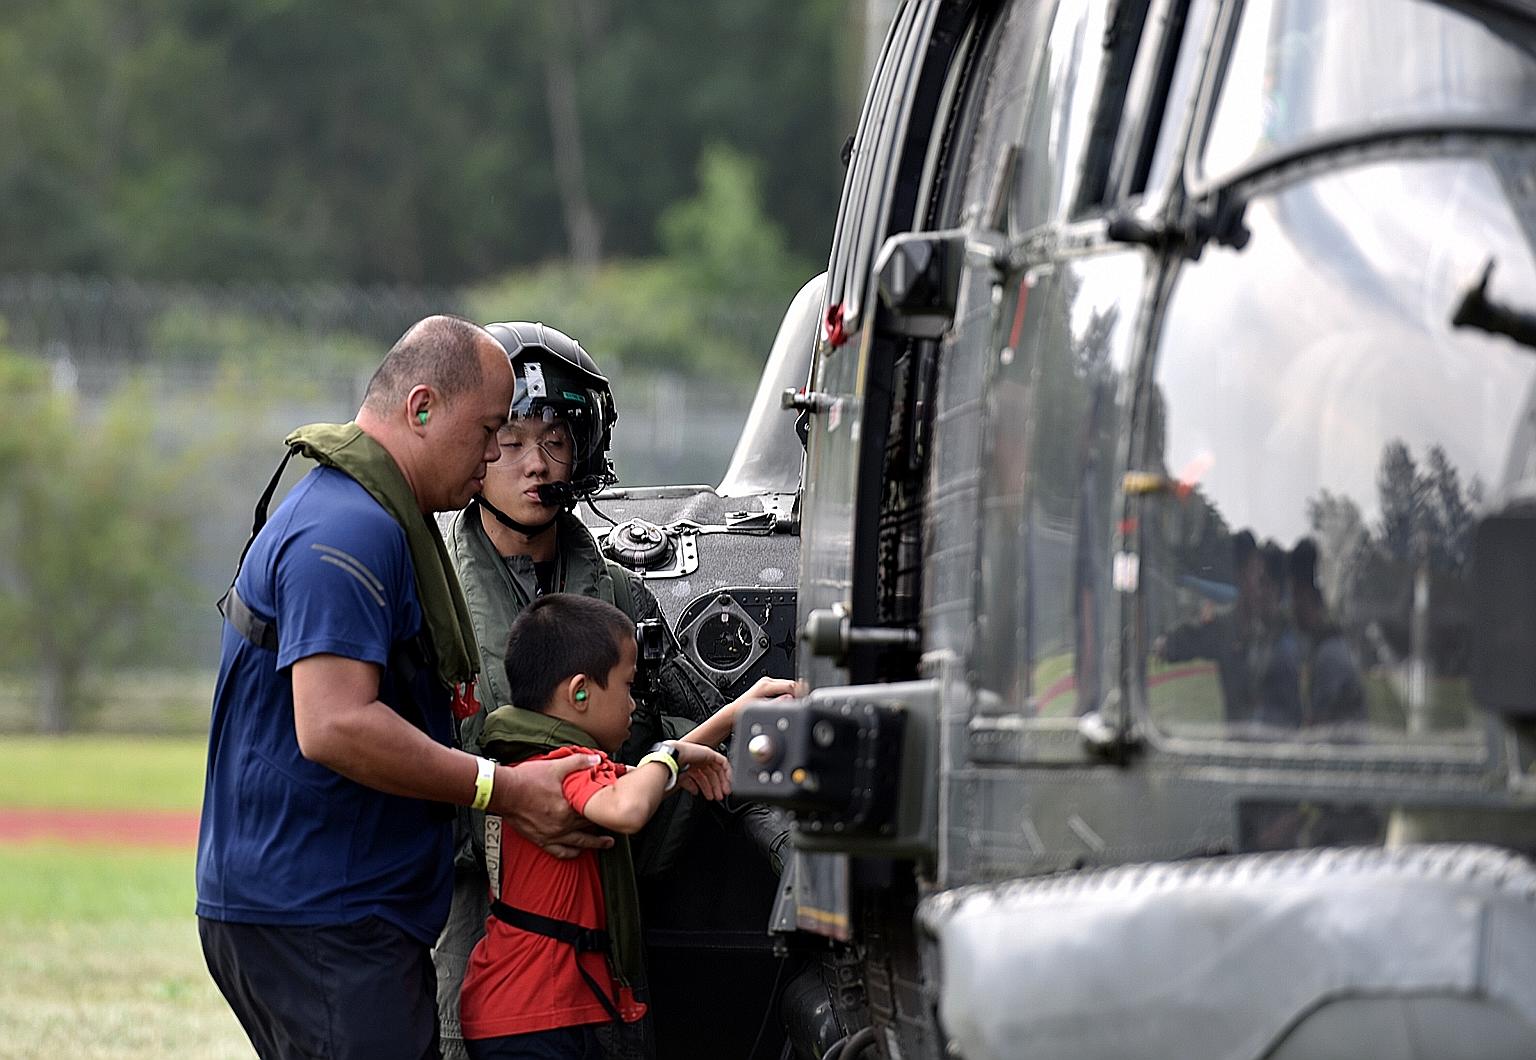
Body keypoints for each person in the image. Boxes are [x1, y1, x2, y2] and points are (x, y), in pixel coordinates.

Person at [196, 315, 610, 1060]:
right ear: (421, 409)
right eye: (489, 430)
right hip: (322, 916)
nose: (493, 455)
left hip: (333, 913)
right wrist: (506, 791)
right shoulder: (347, 530)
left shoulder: (369, 517)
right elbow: (334, 725)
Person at [431, 321, 794, 1058]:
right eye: (510, 440)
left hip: (608, 901)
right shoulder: (429, 588)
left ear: (583, 449)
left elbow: (685, 720)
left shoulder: (620, 595)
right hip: (472, 892)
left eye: (555, 441)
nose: (534, 464)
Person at [459, 593, 752, 1060]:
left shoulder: (540, 757)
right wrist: (669, 755)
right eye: (628, 686)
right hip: (537, 1017)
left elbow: (638, 784)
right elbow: (630, 807)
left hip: (521, 1009)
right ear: (579, 693)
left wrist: (733, 715)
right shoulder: (568, 765)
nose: (635, 704)